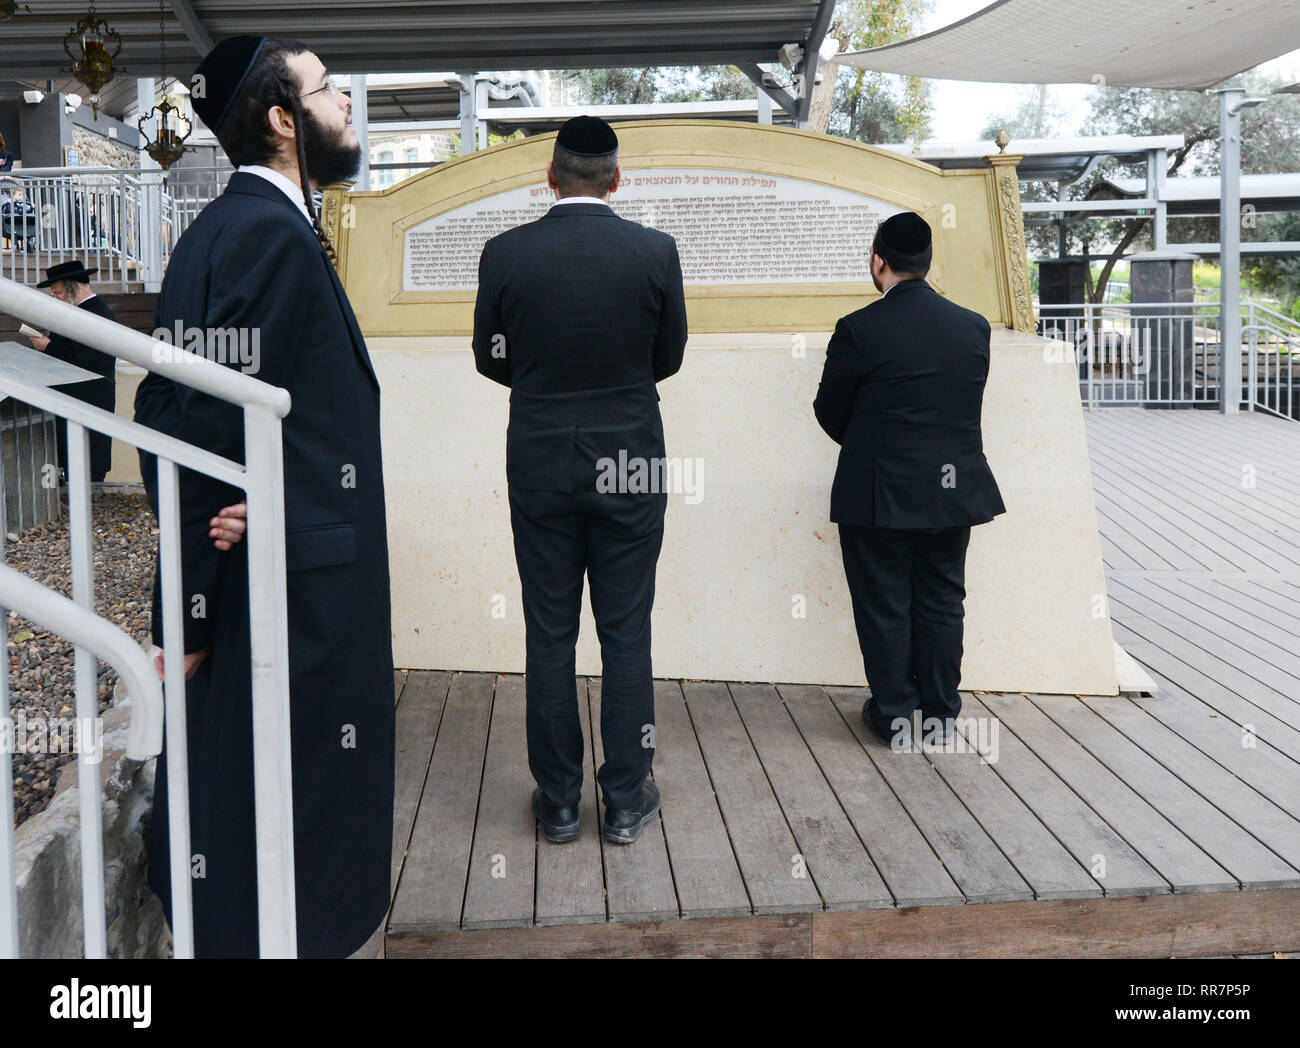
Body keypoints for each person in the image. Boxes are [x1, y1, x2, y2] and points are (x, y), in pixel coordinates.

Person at [136, 35, 394, 959]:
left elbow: (228, 407)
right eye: (330, 90)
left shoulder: (253, 223)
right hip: (281, 593)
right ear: (285, 119)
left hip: (286, 565)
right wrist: (191, 610)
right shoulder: (261, 232)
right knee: (276, 812)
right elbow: (192, 413)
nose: (348, 103)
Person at [473, 115, 687, 846]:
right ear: (616, 180)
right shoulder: (655, 251)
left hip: (539, 462)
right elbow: (669, 356)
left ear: (551, 177)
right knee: (627, 633)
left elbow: (488, 357)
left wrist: (541, 382)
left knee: (549, 634)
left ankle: (559, 802)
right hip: (630, 456)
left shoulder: (505, 254)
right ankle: (626, 798)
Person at [813, 212, 1005, 749]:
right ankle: (941, 715)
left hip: (878, 493)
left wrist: (875, 444)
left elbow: (830, 413)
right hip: (953, 490)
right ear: (926, 264)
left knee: (884, 602)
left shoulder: (859, 328)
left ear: (878, 262)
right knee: (943, 599)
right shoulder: (973, 326)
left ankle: (896, 714)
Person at [27, 261, 117, 481]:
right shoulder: (82, 311)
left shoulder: (93, 314)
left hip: (88, 402)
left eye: (58, 293)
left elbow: (79, 360)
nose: (57, 299)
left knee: (87, 467)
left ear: (74, 287)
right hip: (76, 403)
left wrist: (47, 346)